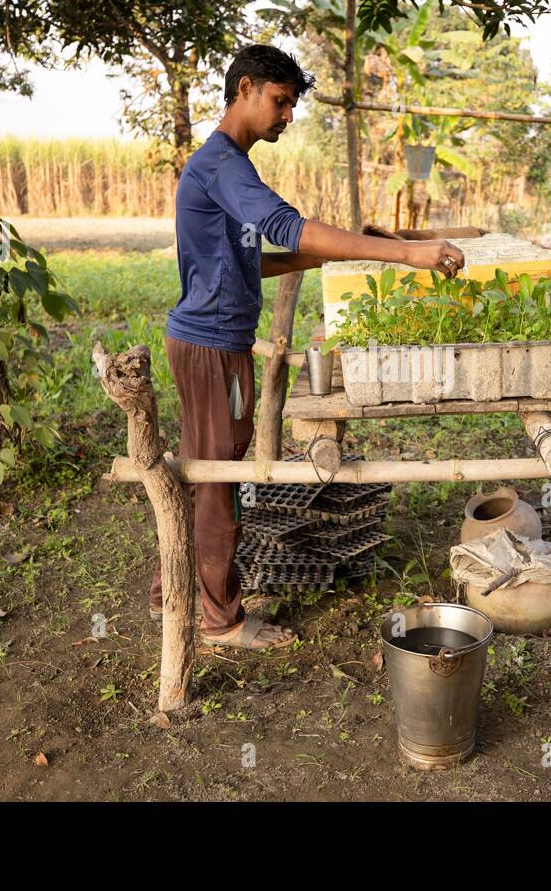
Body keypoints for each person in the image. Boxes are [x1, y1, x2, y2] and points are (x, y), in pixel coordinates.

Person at [150, 43, 464, 650]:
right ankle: (220, 620)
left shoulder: (223, 165)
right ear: (243, 89)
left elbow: (260, 259)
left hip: (214, 341)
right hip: (211, 345)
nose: (288, 116)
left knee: (202, 472)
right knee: (217, 480)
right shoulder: (223, 164)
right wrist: (407, 253)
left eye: (292, 105)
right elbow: (287, 227)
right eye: (280, 101)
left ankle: (177, 592)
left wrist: (350, 247)